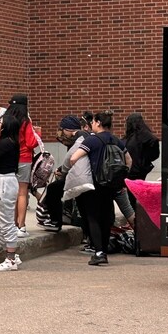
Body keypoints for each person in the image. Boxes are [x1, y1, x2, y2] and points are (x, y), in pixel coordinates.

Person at [68, 110, 132, 267]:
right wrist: (121, 176)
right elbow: (129, 160)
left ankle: (99, 253)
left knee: (93, 218)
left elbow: (73, 158)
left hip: (94, 185)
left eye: (93, 122)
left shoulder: (92, 141)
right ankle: (104, 249)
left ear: (97, 123)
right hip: (112, 185)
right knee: (106, 218)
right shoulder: (117, 140)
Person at [37, 115, 87, 233]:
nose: (61, 133)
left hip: (81, 177)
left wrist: (63, 170)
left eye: (63, 129)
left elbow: (71, 158)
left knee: (53, 189)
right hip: (81, 175)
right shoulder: (81, 137)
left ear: (69, 130)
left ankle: (55, 222)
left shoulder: (79, 138)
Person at [0, 112, 23, 271]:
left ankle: (11, 258)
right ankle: (12, 252)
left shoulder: (6, 143)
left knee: (5, 220)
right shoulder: (8, 142)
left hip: (3, 182)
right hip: (0, 180)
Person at [7, 95, 43, 235]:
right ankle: (20, 225)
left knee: (10, 193)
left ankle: (10, 223)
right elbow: (31, 143)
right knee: (22, 193)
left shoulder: (5, 119)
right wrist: (38, 133)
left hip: (8, 158)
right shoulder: (25, 121)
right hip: (23, 158)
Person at [124, 111, 160, 181]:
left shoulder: (130, 138)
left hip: (132, 169)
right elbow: (155, 154)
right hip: (142, 168)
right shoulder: (148, 136)